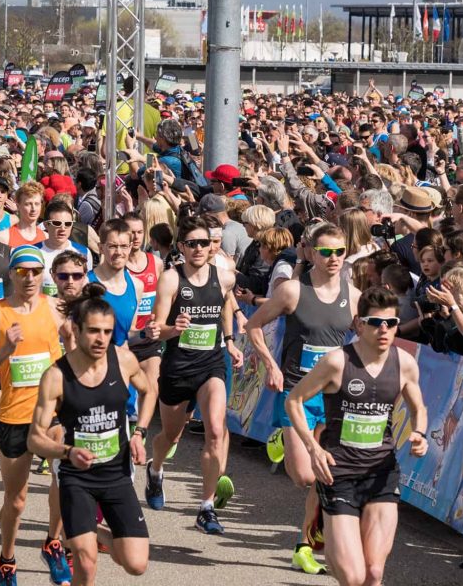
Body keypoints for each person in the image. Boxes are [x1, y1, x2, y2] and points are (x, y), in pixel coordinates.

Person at [282, 287, 427, 586]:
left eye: (391, 323)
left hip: (381, 474)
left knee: (373, 573)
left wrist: (420, 433)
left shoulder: (405, 364)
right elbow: (293, 400)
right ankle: (326, 527)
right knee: (353, 576)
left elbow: (418, 408)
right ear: (360, 324)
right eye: (376, 323)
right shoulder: (337, 362)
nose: (384, 330)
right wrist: (313, 448)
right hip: (339, 474)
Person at [239, 222, 355, 573]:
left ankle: (304, 545)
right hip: (296, 392)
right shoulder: (293, 291)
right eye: (326, 252)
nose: (333, 258)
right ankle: (281, 438)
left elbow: (367, 340)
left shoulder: (354, 296)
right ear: (311, 253)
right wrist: (271, 365)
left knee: (324, 473)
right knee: (304, 476)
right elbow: (253, 325)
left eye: (339, 252)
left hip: (332, 396)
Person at [29, 284, 154, 586]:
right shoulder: (56, 376)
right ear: (76, 329)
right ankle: (79, 532)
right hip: (76, 477)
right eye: (94, 331)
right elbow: (35, 438)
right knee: (86, 565)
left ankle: (86, 530)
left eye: (107, 332)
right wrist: (68, 452)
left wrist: (139, 433)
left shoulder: (123, 361)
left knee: (135, 564)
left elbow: (149, 391)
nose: (101, 339)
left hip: (116, 473)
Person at [0, 246, 72, 586]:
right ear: (11, 274)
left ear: (43, 274)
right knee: (15, 502)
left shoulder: (57, 308)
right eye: (22, 271)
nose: (29, 278)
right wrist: (6, 349)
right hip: (15, 417)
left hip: (54, 416)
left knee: (66, 482)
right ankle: (7, 558)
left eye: (35, 271)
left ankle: (53, 542)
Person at [142, 214, 241, 535]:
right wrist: (174, 328)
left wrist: (229, 340)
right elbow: (157, 329)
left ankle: (206, 507)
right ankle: (155, 470)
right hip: (177, 367)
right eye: (192, 243)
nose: (199, 248)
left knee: (216, 430)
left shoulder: (224, 277)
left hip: (211, 364)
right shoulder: (171, 279)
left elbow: (224, 306)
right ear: (182, 247)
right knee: (170, 436)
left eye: (204, 243)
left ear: (212, 246)